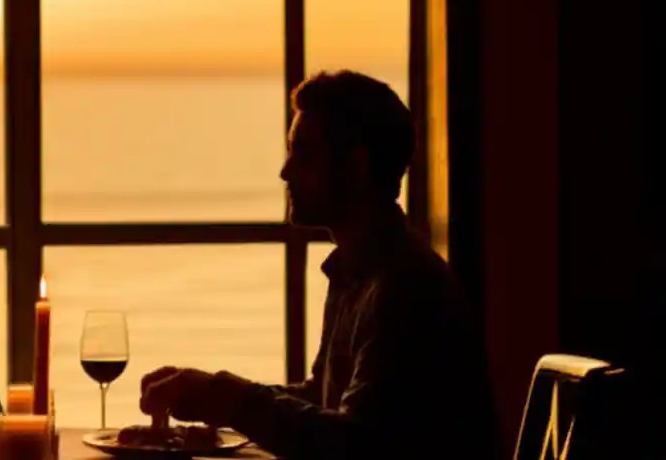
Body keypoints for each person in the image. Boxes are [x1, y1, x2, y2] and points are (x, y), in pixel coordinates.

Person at [140, 71, 498, 460]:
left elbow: (356, 447)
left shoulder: (405, 288)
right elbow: (323, 398)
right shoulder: (358, 270)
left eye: (305, 154)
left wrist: (227, 398)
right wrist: (214, 393)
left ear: (358, 166)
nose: (285, 172)